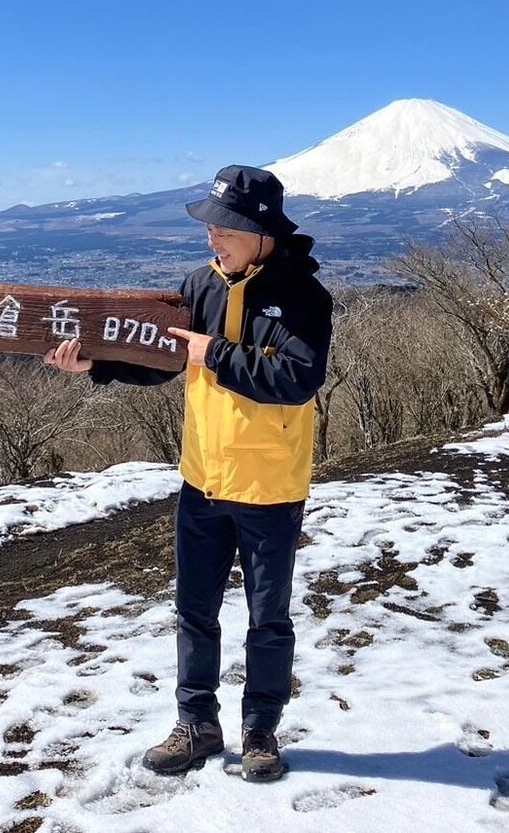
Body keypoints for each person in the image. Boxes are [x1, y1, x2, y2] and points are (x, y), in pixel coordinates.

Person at [43, 165, 333, 782]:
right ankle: (196, 724)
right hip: (202, 478)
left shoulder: (304, 296)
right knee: (194, 611)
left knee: (268, 618)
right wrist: (96, 367)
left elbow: (296, 380)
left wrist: (214, 353)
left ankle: (260, 732)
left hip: (270, 485)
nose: (212, 238)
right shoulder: (199, 285)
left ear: (263, 232)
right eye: (209, 226)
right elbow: (164, 361)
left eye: (224, 228)